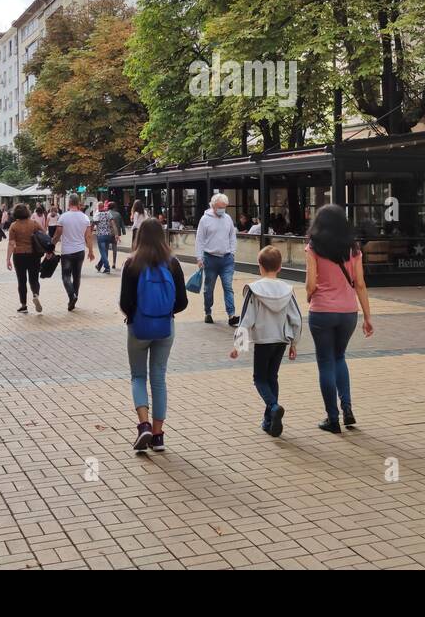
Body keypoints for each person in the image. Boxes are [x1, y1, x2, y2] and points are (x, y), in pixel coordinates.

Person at [119, 219, 188, 453]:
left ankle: (144, 424)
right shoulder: (173, 263)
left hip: (139, 327)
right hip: (165, 328)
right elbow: (182, 302)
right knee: (158, 378)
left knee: (138, 376)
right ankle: (158, 436)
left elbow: (125, 302)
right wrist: (165, 313)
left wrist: (137, 314)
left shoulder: (132, 263)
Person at [305, 204, 373, 434]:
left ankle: (332, 419)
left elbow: (311, 284)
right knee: (339, 357)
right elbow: (360, 284)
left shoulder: (313, 247)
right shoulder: (353, 249)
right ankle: (348, 408)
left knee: (325, 362)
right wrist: (367, 316)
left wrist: (309, 295)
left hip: (322, 311)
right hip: (348, 312)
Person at [231, 245, 303, 437]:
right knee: (272, 377)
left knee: (259, 378)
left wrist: (238, 346)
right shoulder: (288, 290)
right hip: (281, 340)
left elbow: (246, 318)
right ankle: (269, 421)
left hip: (263, 340)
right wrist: (294, 343)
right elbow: (296, 318)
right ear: (280, 267)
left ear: (259, 266)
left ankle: (273, 407)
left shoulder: (254, 290)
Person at [195, 193, 238, 325]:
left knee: (228, 287)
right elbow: (200, 240)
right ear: (213, 205)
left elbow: (232, 236)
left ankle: (231, 315)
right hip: (210, 259)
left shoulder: (228, 218)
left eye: (224, 207)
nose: (222, 209)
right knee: (209, 288)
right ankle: (208, 311)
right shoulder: (204, 219)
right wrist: (199, 258)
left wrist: (232, 252)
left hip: (226, 259)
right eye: (220, 207)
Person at [53, 194, 95, 311]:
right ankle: (74, 299)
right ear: (79, 204)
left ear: (69, 203)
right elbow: (89, 237)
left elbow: (57, 235)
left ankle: (72, 296)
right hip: (80, 251)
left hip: (67, 252)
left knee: (66, 276)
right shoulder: (85, 218)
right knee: (77, 276)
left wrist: (50, 248)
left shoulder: (63, 217)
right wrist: (91, 251)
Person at [7, 203, 50, 312]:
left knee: (21, 281)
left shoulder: (14, 226)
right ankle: (35, 295)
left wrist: (8, 259)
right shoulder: (34, 223)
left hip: (19, 255)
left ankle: (23, 305)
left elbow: (11, 243)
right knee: (34, 278)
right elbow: (44, 234)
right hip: (34, 254)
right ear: (27, 212)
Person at [93, 201, 118, 274]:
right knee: (105, 252)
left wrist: (89, 232)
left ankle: (107, 267)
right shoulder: (108, 213)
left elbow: (93, 224)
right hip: (108, 235)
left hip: (100, 235)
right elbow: (113, 224)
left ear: (98, 207)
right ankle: (99, 265)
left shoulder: (97, 214)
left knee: (103, 252)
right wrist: (116, 234)